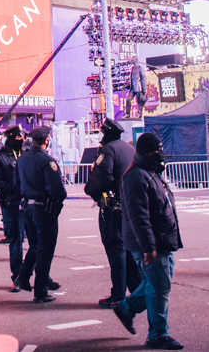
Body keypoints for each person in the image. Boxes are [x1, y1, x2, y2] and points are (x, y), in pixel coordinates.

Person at [110, 132, 183, 351]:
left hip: (161, 240)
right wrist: (148, 246)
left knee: (158, 284)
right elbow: (138, 215)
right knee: (160, 288)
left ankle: (127, 308)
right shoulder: (136, 176)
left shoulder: (150, 171)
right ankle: (157, 335)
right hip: (151, 243)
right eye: (157, 150)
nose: (161, 153)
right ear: (147, 152)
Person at [85, 118, 141, 309]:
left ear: (107, 133)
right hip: (129, 207)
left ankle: (118, 295)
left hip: (112, 208)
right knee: (129, 251)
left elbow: (103, 176)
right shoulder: (129, 149)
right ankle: (139, 291)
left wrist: (90, 191)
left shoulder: (107, 150)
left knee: (115, 250)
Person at [15, 126, 66, 303]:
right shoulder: (47, 161)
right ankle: (40, 291)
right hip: (43, 208)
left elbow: (16, 183)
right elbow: (57, 189)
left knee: (35, 245)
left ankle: (23, 276)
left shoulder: (22, 159)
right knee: (46, 249)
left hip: (27, 206)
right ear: (46, 141)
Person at [0, 126, 27, 287]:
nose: (21, 140)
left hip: (29, 202)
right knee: (16, 240)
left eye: (22, 137)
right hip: (11, 203)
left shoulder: (26, 153)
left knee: (36, 241)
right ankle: (17, 275)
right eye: (18, 137)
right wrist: (12, 189)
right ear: (10, 138)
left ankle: (42, 277)